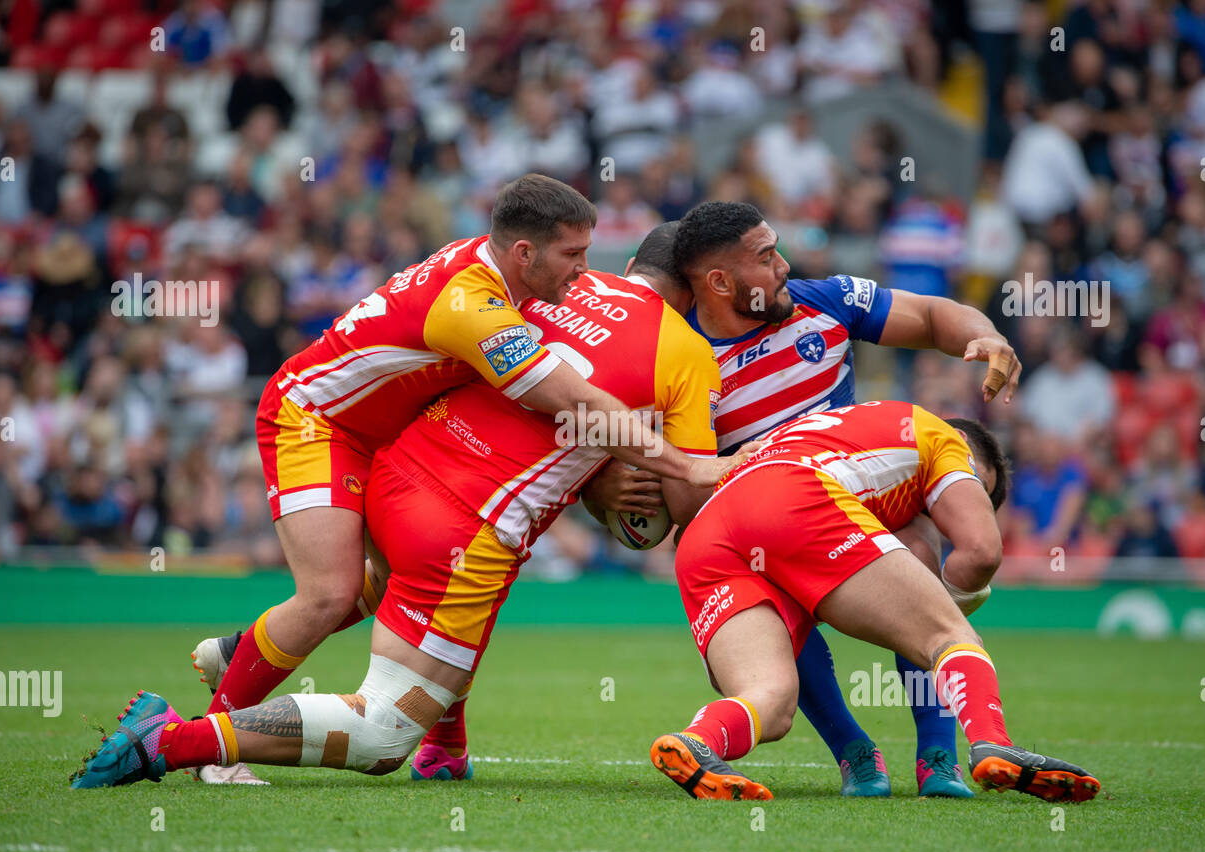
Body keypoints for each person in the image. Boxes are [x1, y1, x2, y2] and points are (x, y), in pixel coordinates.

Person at [71, 224, 731, 789]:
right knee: (382, 733)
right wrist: (683, 477)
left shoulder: (551, 288)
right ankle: (172, 740)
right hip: (460, 527)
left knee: (388, 593)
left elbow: (542, 401)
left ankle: (440, 747)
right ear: (700, 289)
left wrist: (599, 473)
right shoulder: (685, 351)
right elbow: (681, 500)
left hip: (395, 471)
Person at [416, 201, 1019, 796]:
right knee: (772, 598)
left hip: (853, 492)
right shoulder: (672, 360)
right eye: (766, 257)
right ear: (719, 282)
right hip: (751, 524)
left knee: (917, 546)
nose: (785, 265)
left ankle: (937, 755)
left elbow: (935, 317)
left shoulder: (823, 302)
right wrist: (602, 488)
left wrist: (986, 335)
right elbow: (597, 459)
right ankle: (854, 750)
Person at [652, 400, 1100, 804]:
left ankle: (696, 742)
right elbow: (983, 551)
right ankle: (992, 741)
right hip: (794, 498)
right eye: (977, 490)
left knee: (770, 700)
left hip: (707, 533)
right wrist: (950, 606)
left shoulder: (841, 432)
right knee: (949, 635)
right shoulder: (942, 437)